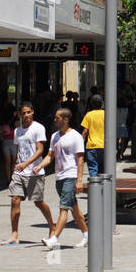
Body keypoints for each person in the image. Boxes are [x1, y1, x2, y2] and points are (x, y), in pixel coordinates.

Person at [35, 107, 88, 251]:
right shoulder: (54, 136)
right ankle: (87, 235)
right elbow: (50, 156)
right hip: (59, 177)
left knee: (64, 207)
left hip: (70, 176)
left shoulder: (75, 136)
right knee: (74, 208)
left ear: (65, 119)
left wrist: (79, 180)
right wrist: (40, 166)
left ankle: (54, 238)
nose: (54, 120)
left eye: (57, 118)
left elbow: (81, 159)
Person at [4, 102, 54, 245]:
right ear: (20, 115)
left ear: (32, 112)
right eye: (23, 113)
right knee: (15, 200)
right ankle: (14, 234)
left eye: (28, 112)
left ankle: (52, 226)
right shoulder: (17, 131)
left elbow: (40, 150)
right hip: (19, 172)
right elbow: (19, 148)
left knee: (38, 202)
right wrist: (16, 163)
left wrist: (26, 163)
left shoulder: (38, 128)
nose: (26, 115)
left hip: (35, 171)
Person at [80, 94, 106, 178]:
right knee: (103, 169)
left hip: (91, 146)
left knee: (92, 169)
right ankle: (102, 188)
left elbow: (85, 131)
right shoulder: (106, 114)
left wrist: (80, 143)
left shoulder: (88, 115)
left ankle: (94, 188)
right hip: (104, 145)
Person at [0, 103, 17, 183]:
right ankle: (13, 177)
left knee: (7, 162)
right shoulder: (15, 118)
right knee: (14, 161)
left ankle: (8, 178)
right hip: (14, 140)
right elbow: (18, 128)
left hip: (5, 140)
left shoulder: (2, 118)